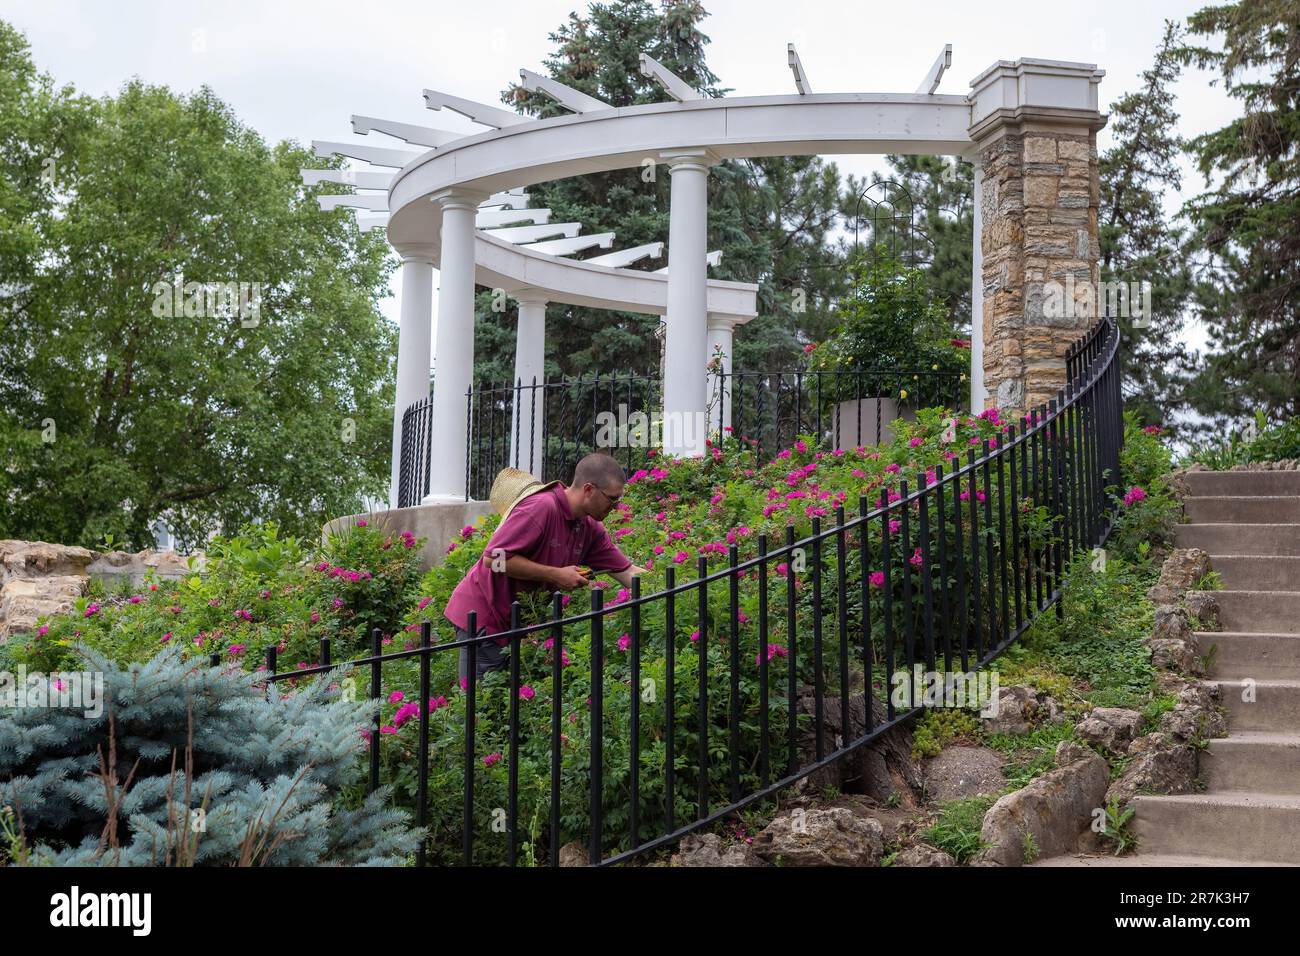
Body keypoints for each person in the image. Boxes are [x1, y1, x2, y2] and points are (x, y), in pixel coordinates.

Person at [444, 452, 646, 682]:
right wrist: (555, 574)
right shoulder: (541, 508)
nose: (616, 507)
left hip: (518, 624)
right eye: (612, 499)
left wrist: (672, 583)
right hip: (484, 617)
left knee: (512, 705)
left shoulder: (589, 528)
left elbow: (627, 572)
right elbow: (494, 560)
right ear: (589, 489)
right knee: (481, 705)